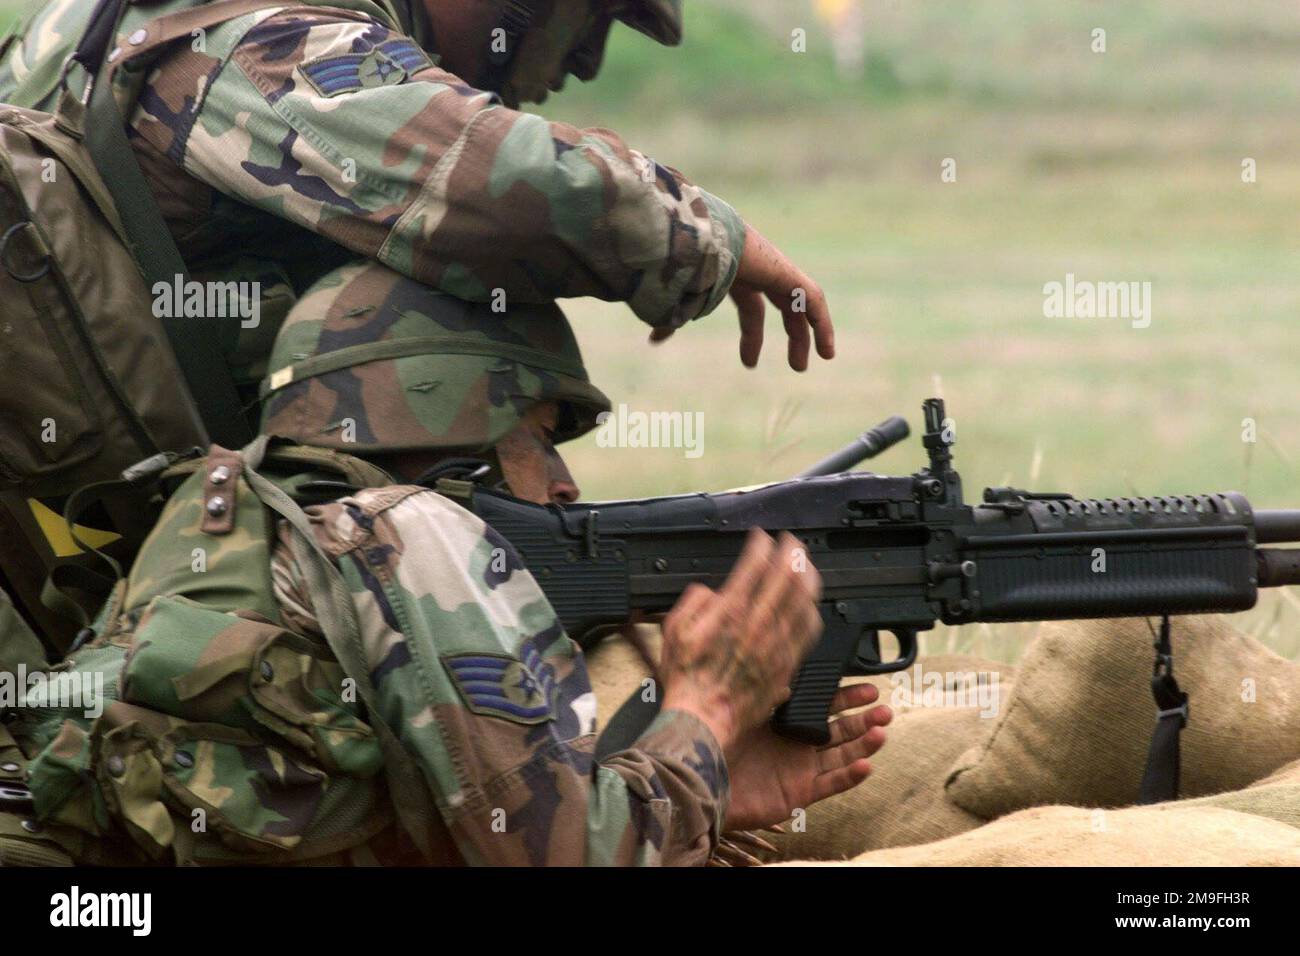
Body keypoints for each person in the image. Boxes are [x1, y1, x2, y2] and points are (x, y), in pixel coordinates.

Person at [7, 261, 889, 866]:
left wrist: (708, 789)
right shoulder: (413, 532)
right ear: (444, 427)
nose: (566, 483)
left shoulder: (231, 519)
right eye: (540, 442)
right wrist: (709, 711)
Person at [0, 0, 835, 403]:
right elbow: (505, 187)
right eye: (587, 18)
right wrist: (712, 240)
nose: (585, 63)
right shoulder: (274, 36)